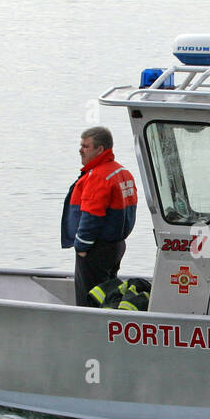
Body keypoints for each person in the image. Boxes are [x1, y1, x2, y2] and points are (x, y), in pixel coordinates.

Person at [61, 126, 138, 307]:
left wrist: (81, 247)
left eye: (86, 146)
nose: (80, 150)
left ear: (100, 149)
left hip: (96, 249)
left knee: (89, 300)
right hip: (116, 247)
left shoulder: (99, 176)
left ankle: (89, 330)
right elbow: (130, 211)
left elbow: (91, 216)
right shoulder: (122, 173)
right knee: (107, 294)